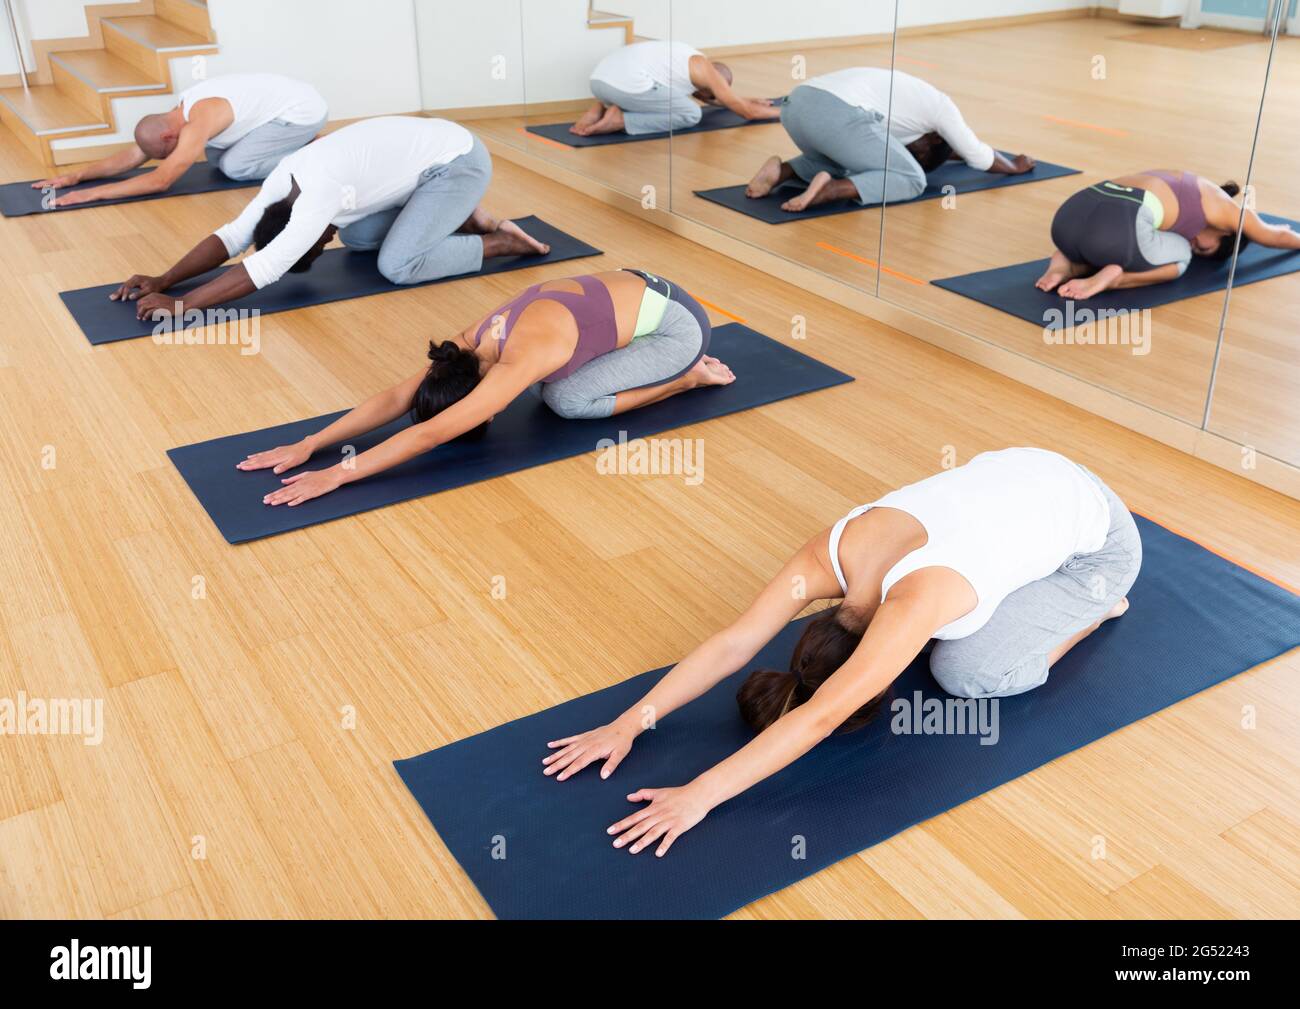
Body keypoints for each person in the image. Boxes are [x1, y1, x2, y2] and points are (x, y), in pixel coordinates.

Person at [542, 447, 1141, 858]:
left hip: (1100, 549)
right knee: (960, 624)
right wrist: (626, 724)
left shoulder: (912, 602)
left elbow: (823, 714)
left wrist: (699, 795)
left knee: (965, 672)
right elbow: (736, 641)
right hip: (1030, 470)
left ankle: (1098, 610)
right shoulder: (831, 555)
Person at [236, 269, 735, 506]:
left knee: (564, 398)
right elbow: (396, 397)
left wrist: (339, 475)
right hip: (646, 289)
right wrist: (310, 444)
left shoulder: (524, 356)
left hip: (680, 327)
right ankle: (660, 365)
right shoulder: (467, 344)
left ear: (484, 406)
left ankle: (687, 377)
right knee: (551, 381)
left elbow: (430, 435)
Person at [110, 116, 549, 321]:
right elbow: (231, 238)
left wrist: (183, 304)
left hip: (458, 161)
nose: (326, 245)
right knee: (359, 237)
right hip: (428, 154)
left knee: (396, 266)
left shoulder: (316, 197)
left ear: (307, 230)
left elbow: (263, 266)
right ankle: (457, 217)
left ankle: (500, 242)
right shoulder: (282, 184)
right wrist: (163, 279)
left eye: (316, 247)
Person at [744, 67, 1034, 213]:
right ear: (934, 139)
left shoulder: (911, 103)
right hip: (837, 114)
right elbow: (978, 155)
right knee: (912, 178)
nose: (909, 151)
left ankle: (782, 172)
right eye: (917, 152)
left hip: (796, 106)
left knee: (847, 158)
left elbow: (884, 147)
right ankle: (832, 189)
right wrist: (1014, 167)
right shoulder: (941, 107)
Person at [33, 72, 328, 207]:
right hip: (277, 106)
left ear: (168, 136)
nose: (168, 156)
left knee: (235, 167)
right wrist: (77, 176)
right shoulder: (178, 113)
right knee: (215, 157)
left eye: (167, 151)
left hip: (301, 113)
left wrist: (94, 194)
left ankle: (314, 147)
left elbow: (161, 180)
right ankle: (293, 143)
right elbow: (134, 156)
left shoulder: (199, 118)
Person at [1037, 171, 1300, 299]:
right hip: (1116, 229)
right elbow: (1271, 236)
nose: (1193, 244)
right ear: (1226, 232)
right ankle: (1112, 279)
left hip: (1067, 218)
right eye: (1205, 249)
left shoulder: (1185, 181)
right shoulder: (1227, 210)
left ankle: (1066, 262)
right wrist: (1279, 231)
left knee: (1121, 240)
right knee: (1179, 257)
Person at [572, 40, 779, 136]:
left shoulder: (686, 57)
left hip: (599, 82)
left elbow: (717, 98)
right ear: (716, 83)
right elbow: (747, 113)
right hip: (628, 86)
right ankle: (621, 119)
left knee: (658, 98)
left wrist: (744, 98)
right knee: (690, 113)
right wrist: (784, 112)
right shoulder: (706, 71)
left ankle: (603, 108)